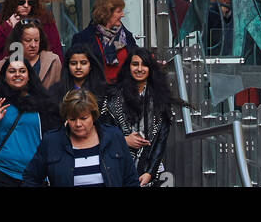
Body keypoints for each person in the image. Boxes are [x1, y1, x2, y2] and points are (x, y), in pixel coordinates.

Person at [0, 56, 59, 187]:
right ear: (4, 76)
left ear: (29, 76)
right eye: (12, 71)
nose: (17, 75)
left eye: (22, 71)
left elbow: (55, 140)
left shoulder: (45, 105)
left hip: (34, 177)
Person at [22, 88, 140, 187]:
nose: (78, 124)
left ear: (93, 116)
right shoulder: (52, 141)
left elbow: (130, 179)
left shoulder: (114, 136)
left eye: (83, 118)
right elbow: (31, 178)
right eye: (72, 119)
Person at [101, 47, 172, 186]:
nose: (139, 69)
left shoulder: (160, 98)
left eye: (144, 64)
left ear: (150, 68)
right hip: (118, 166)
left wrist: (149, 172)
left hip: (151, 168)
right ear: (128, 67)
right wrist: (124, 140)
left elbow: (161, 140)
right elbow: (102, 131)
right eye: (135, 64)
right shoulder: (113, 96)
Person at [0, 19, 61, 109]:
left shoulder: (53, 61)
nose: (33, 45)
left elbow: (61, 93)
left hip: (45, 120)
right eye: (28, 40)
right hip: (12, 119)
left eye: (36, 40)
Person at [70, 0, 139, 84]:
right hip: (96, 94)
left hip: (125, 93)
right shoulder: (82, 39)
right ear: (106, 13)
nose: (122, 15)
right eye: (119, 11)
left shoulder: (126, 36)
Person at [48, 40, 109, 109]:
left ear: (90, 65)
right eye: (73, 63)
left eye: (83, 63)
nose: (78, 67)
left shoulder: (103, 90)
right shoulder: (56, 91)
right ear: (67, 66)